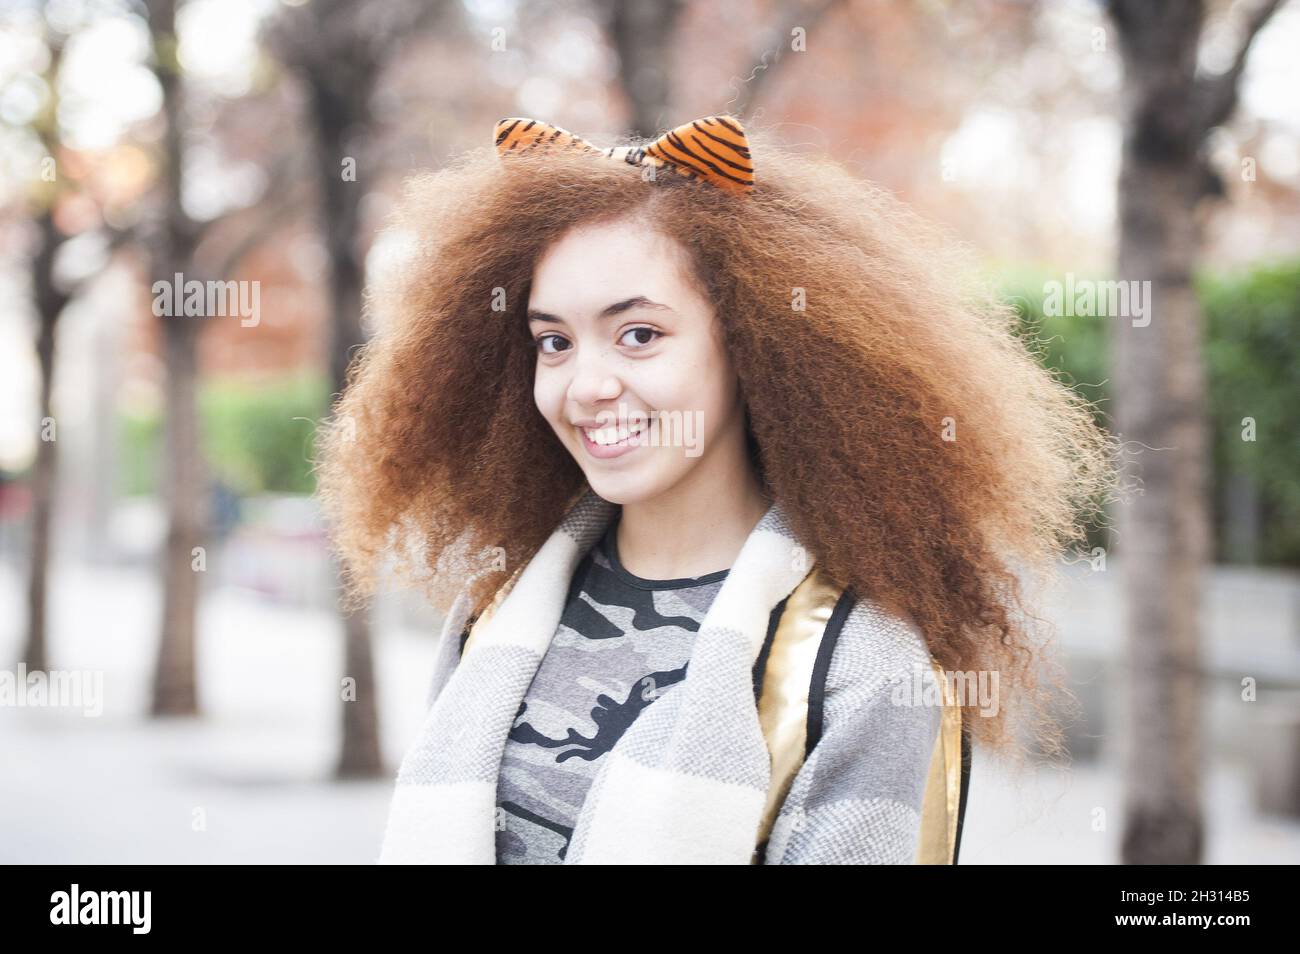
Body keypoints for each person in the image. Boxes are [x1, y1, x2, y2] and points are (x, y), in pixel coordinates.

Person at [316, 115, 1112, 864]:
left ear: (753, 343)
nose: (585, 384)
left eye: (640, 334)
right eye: (553, 341)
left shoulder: (862, 666)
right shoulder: (493, 610)